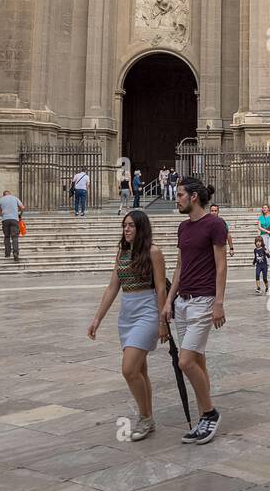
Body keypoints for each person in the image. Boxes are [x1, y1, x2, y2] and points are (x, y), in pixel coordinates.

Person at [88, 209, 166, 442]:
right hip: (127, 313)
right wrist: (97, 318)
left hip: (148, 311)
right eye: (125, 226)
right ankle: (148, 416)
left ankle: (144, 417)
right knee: (140, 370)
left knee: (129, 369)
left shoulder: (153, 252)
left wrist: (163, 322)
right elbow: (113, 286)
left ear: (141, 227)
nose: (127, 229)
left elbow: (161, 288)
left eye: (131, 225)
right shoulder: (122, 252)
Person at [161, 177, 228, 444]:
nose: (176, 199)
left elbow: (221, 265)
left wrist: (219, 303)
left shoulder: (215, 224)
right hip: (183, 302)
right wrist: (168, 300)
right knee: (197, 360)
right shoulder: (183, 228)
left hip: (203, 301)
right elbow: (179, 266)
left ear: (194, 197)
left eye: (179, 195)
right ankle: (203, 417)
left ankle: (210, 413)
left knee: (185, 361)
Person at [0, 189, 24, 261]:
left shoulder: (1, 200)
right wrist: (19, 214)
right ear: (10, 194)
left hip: (5, 220)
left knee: (6, 237)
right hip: (14, 220)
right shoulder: (15, 198)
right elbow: (22, 207)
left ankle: (7, 253)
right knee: (15, 237)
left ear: (4, 195)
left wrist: (4, 216)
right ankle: (15, 253)